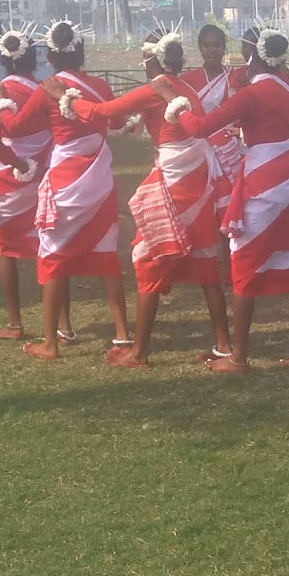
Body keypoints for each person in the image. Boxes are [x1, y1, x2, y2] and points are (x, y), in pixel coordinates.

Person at [49, 30, 233, 369]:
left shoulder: (155, 89)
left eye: (143, 58)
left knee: (148, 257)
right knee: (206, 262)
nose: (141, 63)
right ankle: (223, 344)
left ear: (153, 60)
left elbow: (104, 111)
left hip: (176, 184)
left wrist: (67, 98)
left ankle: (139, 352)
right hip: (197, 180)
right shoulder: (186, 86)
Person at [158, 28, 289, 374]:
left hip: (262, 186)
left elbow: (202, 126)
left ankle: (239, 357)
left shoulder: (253, 93)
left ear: (255, 57)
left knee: (245, 264)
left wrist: (175, 106)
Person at [0, 19, 132, 361]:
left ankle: (51, 342)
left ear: (49, 58)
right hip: (99, 178)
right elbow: (119, 122)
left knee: (52, 256)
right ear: (81, 52)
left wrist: (0, 100)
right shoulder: (99, 85)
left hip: (66, 179)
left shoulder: (47, 90)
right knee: (106, 255)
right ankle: (123, 335)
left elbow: (15, 127)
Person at [0, 25, 70, 342]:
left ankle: (16, 324)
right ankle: (64, 324)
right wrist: (37, 165)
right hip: (45, 175)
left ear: (4, 60)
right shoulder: (44, 90)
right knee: (51, 248)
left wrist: (20, 165)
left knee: (6, 252)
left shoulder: (0, 91)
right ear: (34, 58)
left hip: (8, 180)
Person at [181, 24, 243, 210]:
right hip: (199, 145)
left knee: (228, 202)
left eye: (217, 45)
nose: (212, 50)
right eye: (207, 46)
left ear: (224, 48)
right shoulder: (188, 79)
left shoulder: (237, 76)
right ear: (200, 48)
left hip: (231, 146)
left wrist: (242, 131)